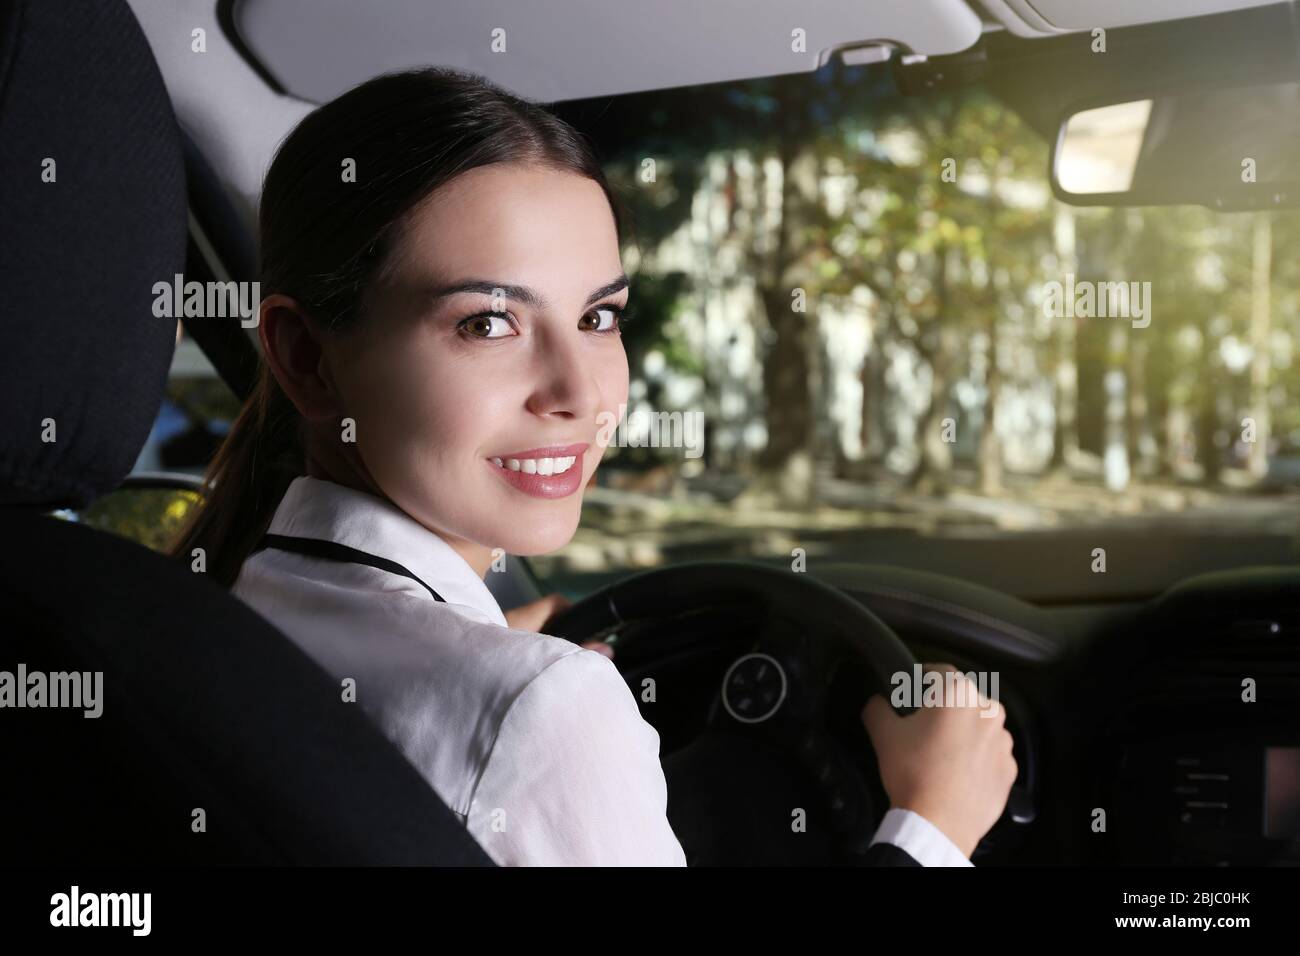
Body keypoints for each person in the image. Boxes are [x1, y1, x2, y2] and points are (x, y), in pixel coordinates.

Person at [170, 67, 1016, 866]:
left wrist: (486, 660)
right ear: (307, 358)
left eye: (600, 316)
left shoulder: (222, 613)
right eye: (487, 323)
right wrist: (934, 822)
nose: (579, 392)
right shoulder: (546, 709)